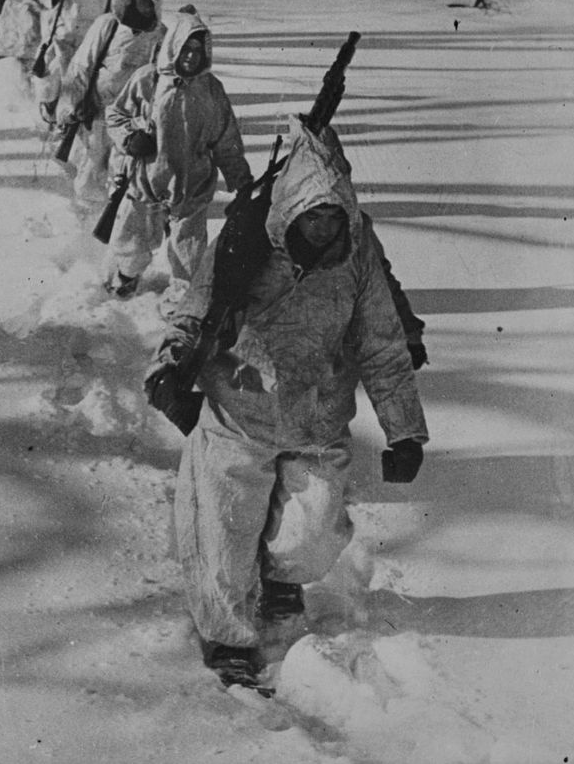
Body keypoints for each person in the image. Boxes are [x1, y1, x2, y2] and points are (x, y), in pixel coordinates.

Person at [144, 118, 429, 695]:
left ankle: (280, 581)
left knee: (315, 532)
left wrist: (404, 431)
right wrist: (170, 364)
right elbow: (196, 308)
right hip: (238, 412)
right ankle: (226, 639)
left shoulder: (357, 256)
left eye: (333, 216)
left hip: (317, 416)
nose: (324, 227)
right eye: (313, 215)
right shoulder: (247, 242)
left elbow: (381, 339)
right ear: (292, 211)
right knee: (223, 531)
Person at [103, 8, 252, 302]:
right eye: (186, 48)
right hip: (146, 179)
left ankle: (182, 301)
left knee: (189, 252)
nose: (191, 56)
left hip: (192, 184)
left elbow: (227, 139)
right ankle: (125, 276)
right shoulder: (148, 80)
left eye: (198, 50)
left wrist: (241, 179)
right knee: (132, 242)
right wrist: (129, 138)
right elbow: (115, 115)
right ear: (174, 46)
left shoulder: (211, 90)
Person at [53, 0, 166, 205]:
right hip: (96, 112)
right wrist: (70, 107)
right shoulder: (108, 24)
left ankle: (113, 230)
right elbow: (81, 67)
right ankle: (84, 218)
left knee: (122, 177)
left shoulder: (160, 36)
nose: (145, 5)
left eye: (150, 1)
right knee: (90, 170)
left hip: (131, 120)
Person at [34, 0, 121, 124]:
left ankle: (75, 117)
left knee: (85, 82)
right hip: (65, 33)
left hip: (93, 36)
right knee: (57, 78)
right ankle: (53, 113)